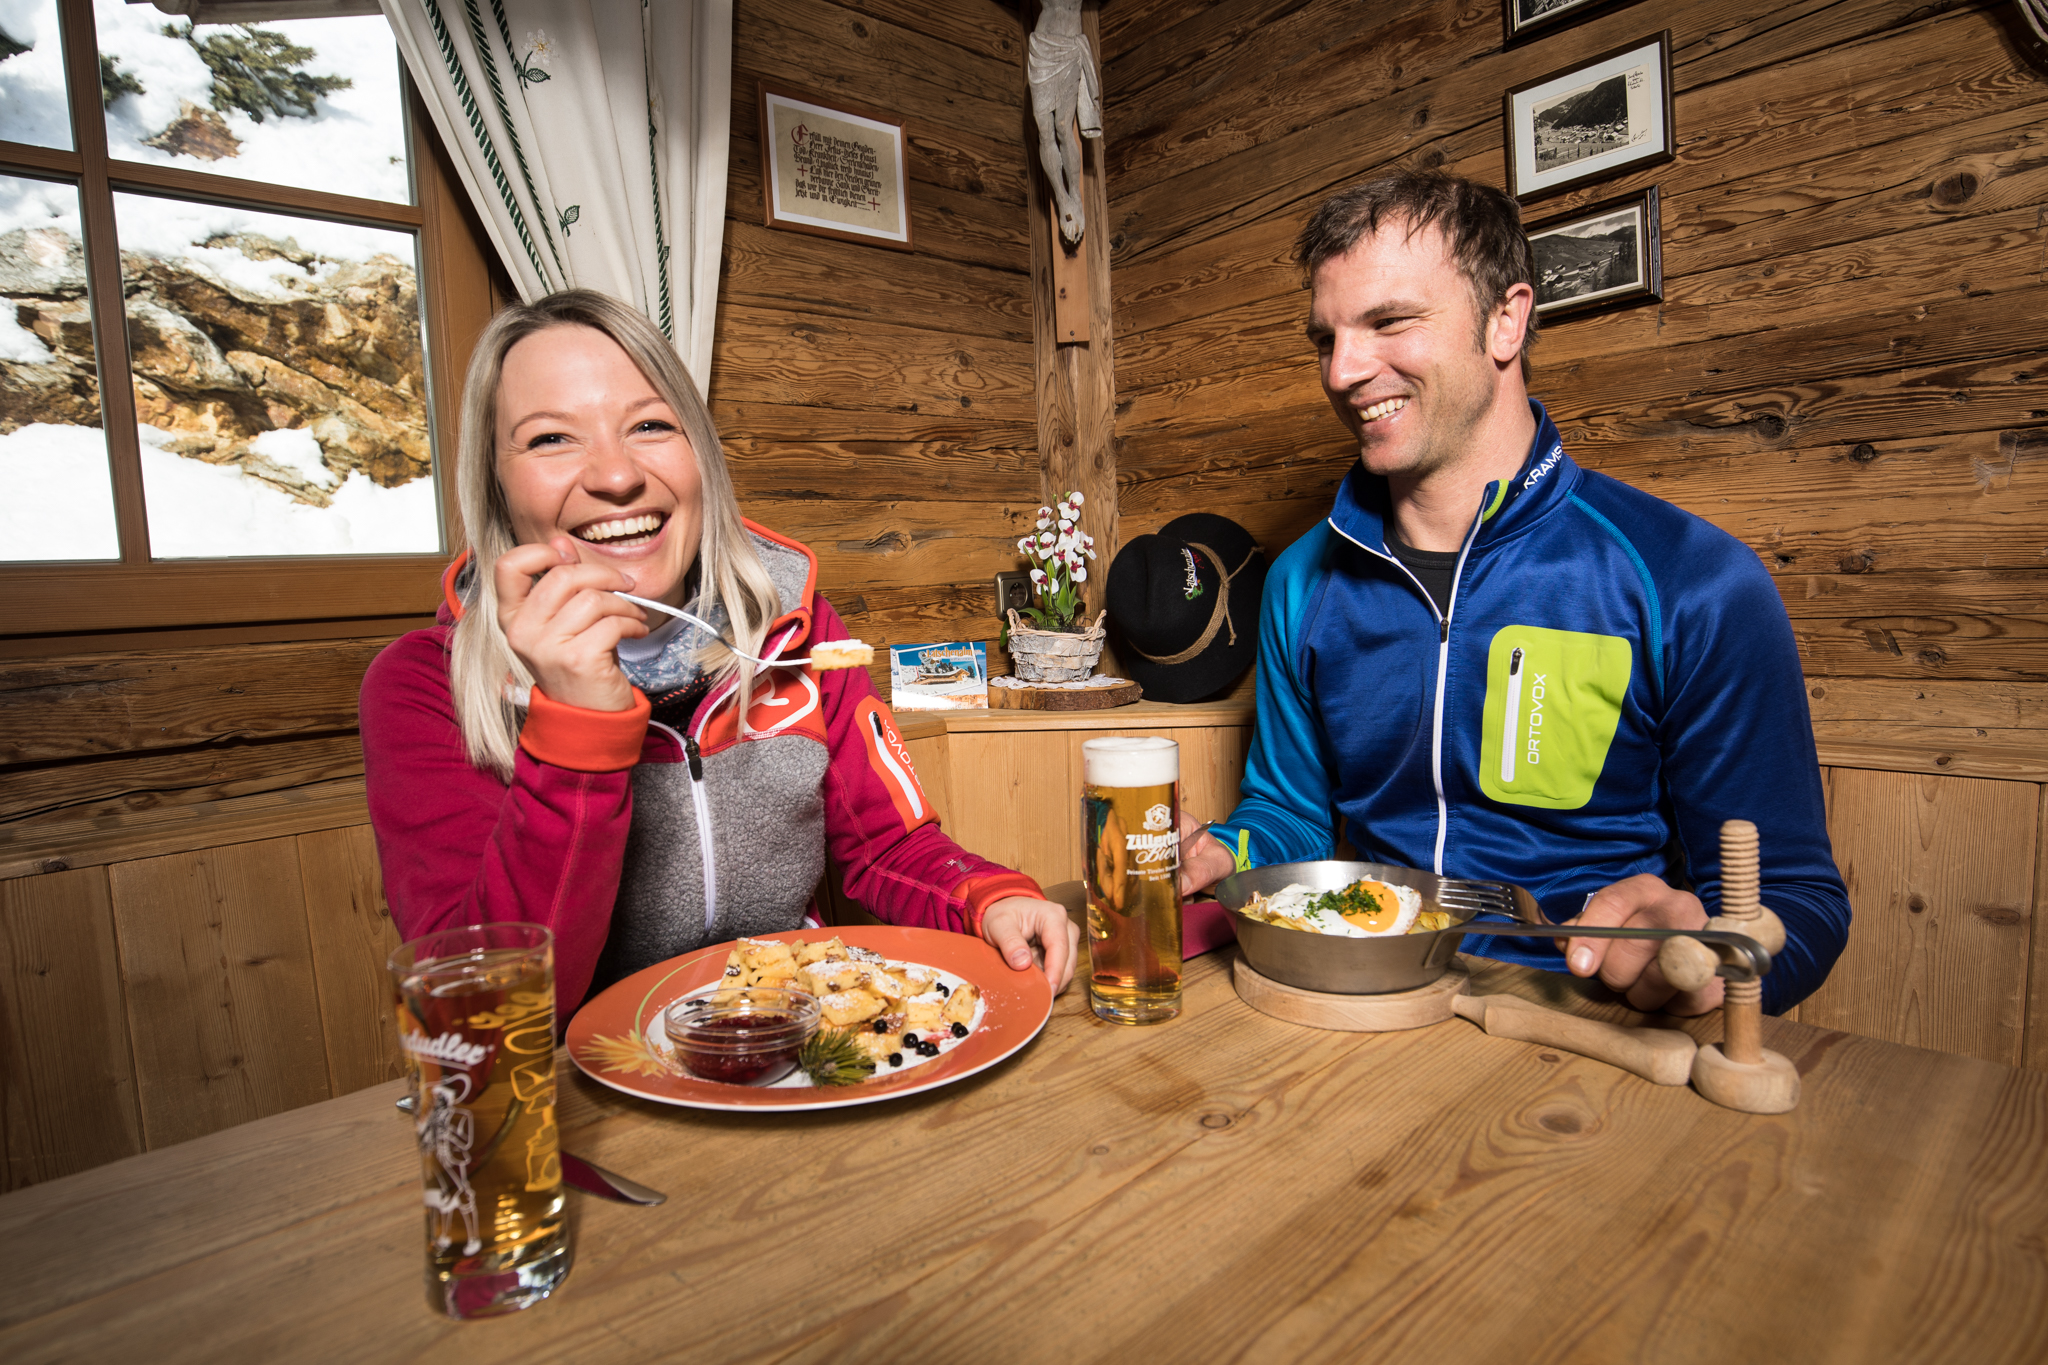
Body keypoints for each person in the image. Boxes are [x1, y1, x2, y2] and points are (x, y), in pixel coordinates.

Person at [1176, 172, 1849, 1015]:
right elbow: (1291, 819)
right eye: (1326, 337)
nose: (1343, 371)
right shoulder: (1300, 581)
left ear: (1507, 319)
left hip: (1592, 1029)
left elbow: (1799, 902)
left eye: (1389, 321)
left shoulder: (1694, 581)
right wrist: (1226, 851)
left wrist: (1701, 965)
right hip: (1370, 1005)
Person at [361, 290, 1078, 1014]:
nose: (616, 476)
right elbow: (484, 1010)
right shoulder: (422, 686)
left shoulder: (798, 634)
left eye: (649, 424)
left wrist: (985, 898)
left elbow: (889, 849)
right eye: (551, 438)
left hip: (798, 1046)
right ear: (495, 481)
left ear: (699, 453)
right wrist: (577, 729)